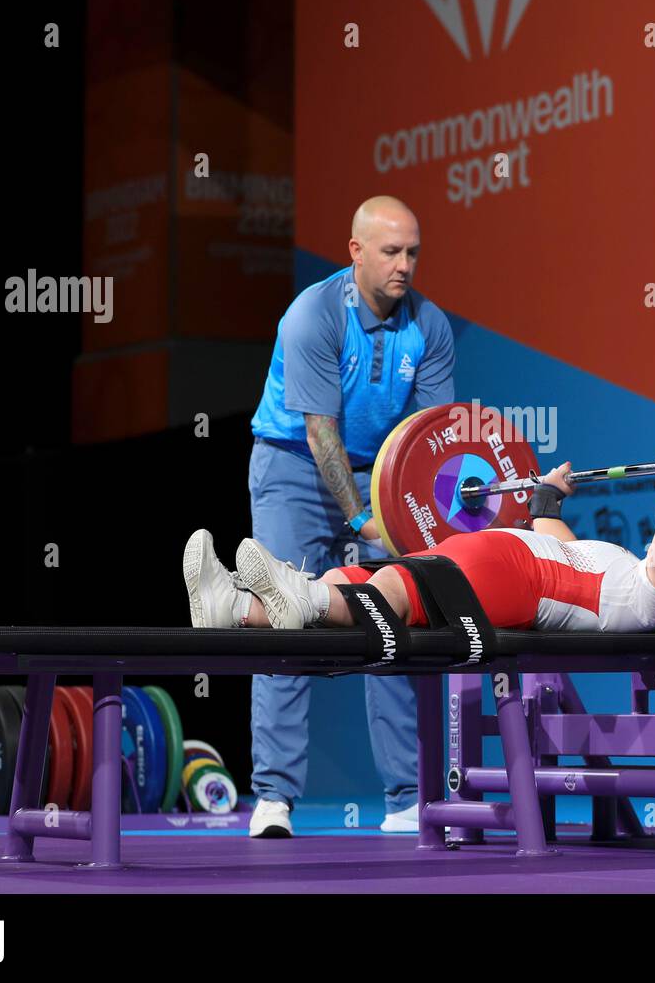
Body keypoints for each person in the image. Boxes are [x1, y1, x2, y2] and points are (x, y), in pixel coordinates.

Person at [240, 196, 456, 838]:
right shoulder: (312, 315)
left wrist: (413, 518)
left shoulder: (432, 327)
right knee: (287, 619)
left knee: (397, 620)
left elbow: (430, 438)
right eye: (391, 252)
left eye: (413, 252)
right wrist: (364, 521)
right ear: (355, 252)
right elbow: (320, 433)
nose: (405, 265)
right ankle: (274, 800)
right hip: (292, 466)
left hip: (382, 472)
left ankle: (406, 799)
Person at [187, 453, 655, 639]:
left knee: (398, 591)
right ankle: (235, 608)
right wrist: (546, 501)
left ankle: (294, 599)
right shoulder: (630, 575)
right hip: (513, 560)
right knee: (354, 580)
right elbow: (565, 547)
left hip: (518, 580)